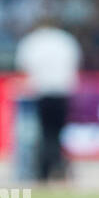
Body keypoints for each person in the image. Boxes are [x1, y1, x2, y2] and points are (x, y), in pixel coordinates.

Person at [14, 16, 80, 181]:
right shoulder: (66, 40)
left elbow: (23, 66)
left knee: (43, 133)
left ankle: (44, 171)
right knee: (57, 133)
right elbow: (75, 64)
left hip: (41, 92)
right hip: (62, 92)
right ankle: (57, 167)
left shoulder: (32, 41)